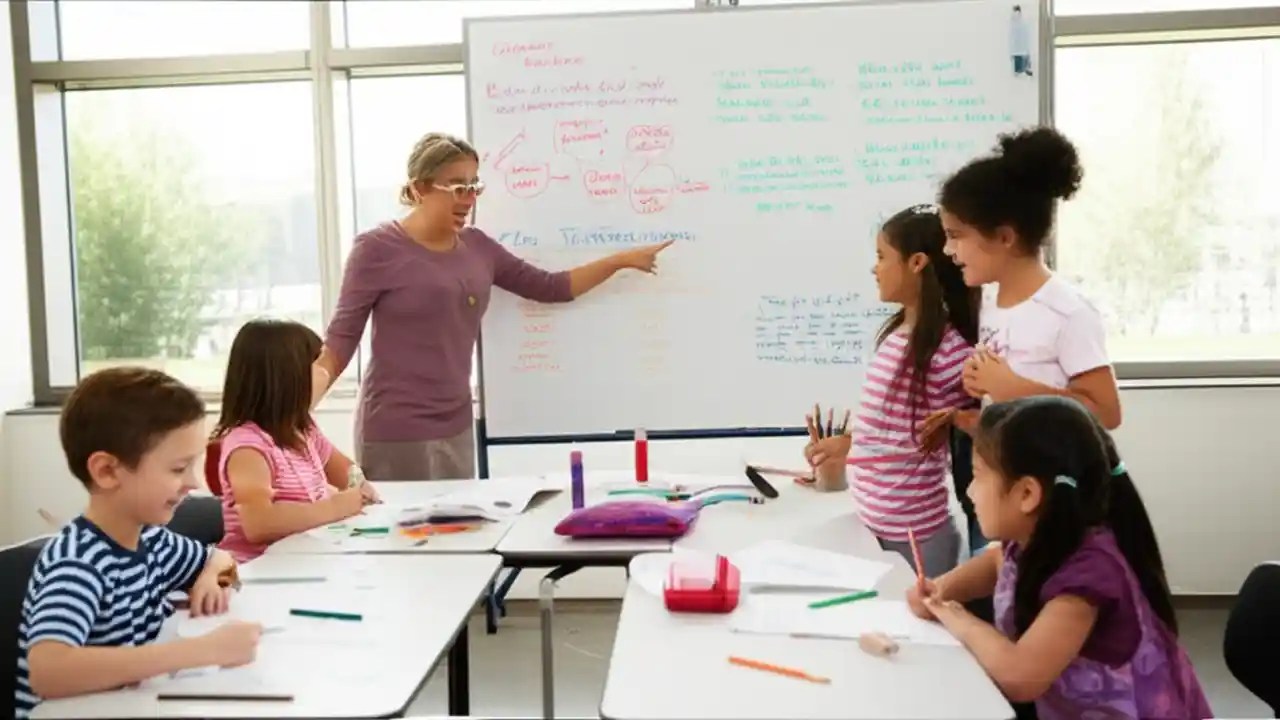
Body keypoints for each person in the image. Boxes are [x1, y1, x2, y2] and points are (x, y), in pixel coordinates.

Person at [317, 132, 673, 482]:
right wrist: (291, 413)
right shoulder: (376, 249)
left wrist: (622, 260)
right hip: (396, 429)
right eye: (457, 187)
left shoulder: (477, 247)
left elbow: (551, 287)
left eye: (474, 186)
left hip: (456, 423)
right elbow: (340, 341)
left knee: (458, 535)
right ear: (419, 189)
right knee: (405, 536)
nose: (469, 199)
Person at [907, 397, 1212, 719]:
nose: (969, 491)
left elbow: (1021, 677)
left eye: (978, 475)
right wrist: (943, 587)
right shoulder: (1032, 539)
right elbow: (999, 565)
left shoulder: (1088, 578)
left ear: (1027, 494)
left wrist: (955, 616)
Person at [15, 368, 262, 719]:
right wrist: (203, 650)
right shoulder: (78, 562)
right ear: (107, 471)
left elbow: (224, 560)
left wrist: (213, 581)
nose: (193, 482)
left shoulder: (152, 539)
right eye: (178, 469)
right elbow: (48, 671)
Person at [930, 126, 1122, 552]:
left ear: (1004, 236)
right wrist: (982, 418)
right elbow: (1023, 412)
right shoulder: (993, 300)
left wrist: (1012, 390)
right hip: (999, 495)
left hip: (1053, 512)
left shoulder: (1066, 311)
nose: (948, 250)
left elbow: (1105, 412)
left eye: (957, 235)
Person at [805, 204, 979, 578]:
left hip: (915, 539)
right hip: (877, 528)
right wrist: (851, 444)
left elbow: (976, 430)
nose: (875, 267)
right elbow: (902, 432)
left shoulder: (949, 352)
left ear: (916, 263)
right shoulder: (899, 334)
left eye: (882, 256)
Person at [213, 319, 377, 562]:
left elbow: (347, 473)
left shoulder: (303, 430)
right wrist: (335, 507)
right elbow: (258, 523)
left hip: (305, 560)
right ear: (286, 378)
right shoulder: (247, 447)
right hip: (258, 570)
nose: (324, 373)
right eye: (316, 364)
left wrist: (360, 487)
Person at [1010, 5, 1033, 77]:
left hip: (1019, 46)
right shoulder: (1020, 21)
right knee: (1022, 55)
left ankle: (1023, 69)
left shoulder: (1016, 21)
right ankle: (1024, 68)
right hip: (1020, 46)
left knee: (1021, 55)